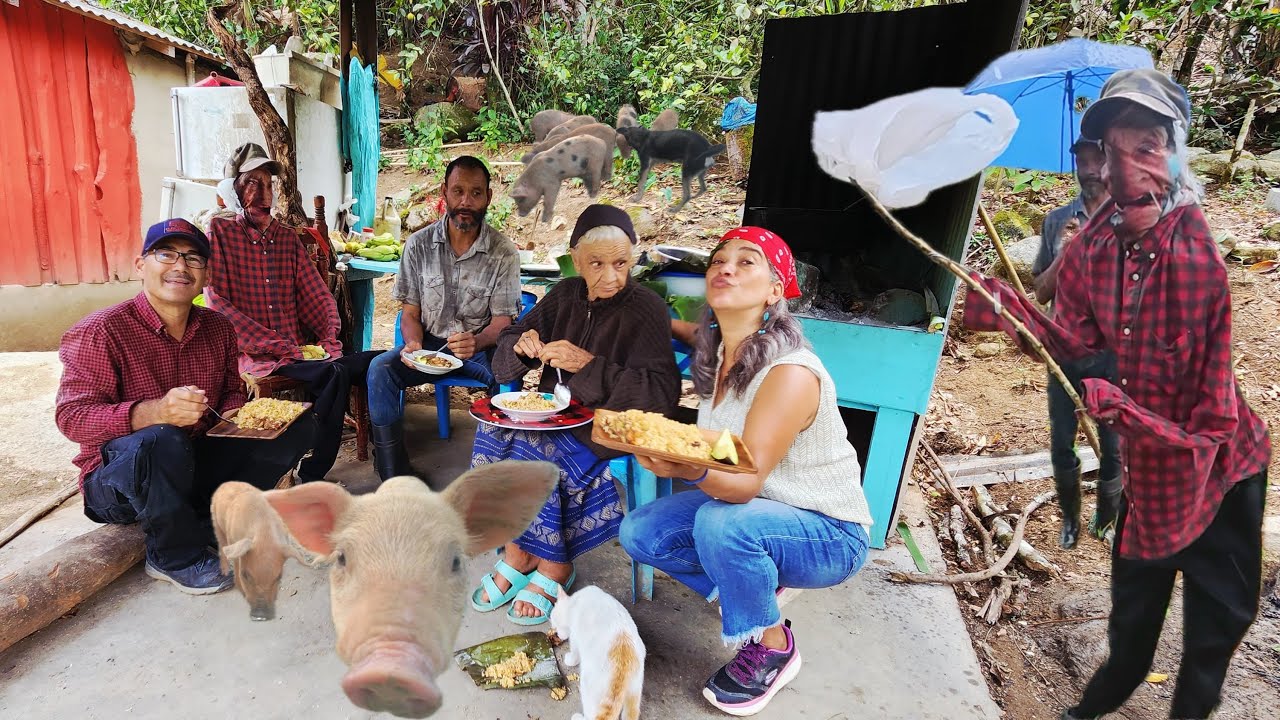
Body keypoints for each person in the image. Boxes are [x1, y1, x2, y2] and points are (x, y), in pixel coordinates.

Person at [962, 69, 1270, 720]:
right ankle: (1089, 710)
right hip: (1153, 475)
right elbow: (1069, 341)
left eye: (1149, 146)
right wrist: (1002, 309)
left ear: (1176, 154)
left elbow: (1209, 433)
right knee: (1131, 631)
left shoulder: (1196, 263)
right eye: (1113, 150)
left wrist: (1125, 410)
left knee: (1207, 652)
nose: (1127, 172)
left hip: (1222, 476)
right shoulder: (1094, 246)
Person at [619, 227, 873, 716]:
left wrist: (683, 465)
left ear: (775, 291)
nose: (725, 268)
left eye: (746, 261)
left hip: (826, 529)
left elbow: (742, 485)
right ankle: (754, 584)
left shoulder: (790, 373)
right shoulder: (720, 349)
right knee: (641, 531)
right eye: (717, 261)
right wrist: (651, 316)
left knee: (721, 524)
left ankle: (775, 646)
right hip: (759, 506)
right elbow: (693, 331)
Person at [55, 219, 317, 594]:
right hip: (118, 482)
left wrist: (232, 414)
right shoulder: (100, 332)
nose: (180, 266)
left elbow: (231, 390)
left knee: (296, 425)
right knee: (163, 438)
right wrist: (154, 412)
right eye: (166, 254)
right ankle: (172, 556)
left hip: (193, 462)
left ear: (206, 275)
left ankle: (209, 522)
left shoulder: (218, 328)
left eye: (194, 259)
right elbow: (72, 419)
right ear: (140, 264)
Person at [469, 205, 681, 626]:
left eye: (621, 263)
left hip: (609, 423)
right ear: (577, 260)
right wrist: (521, 344)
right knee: (491, 436)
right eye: (597, 264)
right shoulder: (566, 294)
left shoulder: (647, 310)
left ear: (634, 258)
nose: (610, 276)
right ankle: (518, 551)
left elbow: (662, 394)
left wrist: (589, 365)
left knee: (540, 453)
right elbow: (510, 340)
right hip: (556, 413)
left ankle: (554, 565)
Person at [204, 142, 379, 485]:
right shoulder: (219, 233)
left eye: (268, 184)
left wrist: (328, 335)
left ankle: (309, 459)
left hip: (298, 352)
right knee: (338, 375)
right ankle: (312, 465)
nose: (263, 193)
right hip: (254, 354)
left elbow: (315, 292)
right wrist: (275, 344)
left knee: (352, 366)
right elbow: (217, 304)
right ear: (233, 190)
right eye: (252, 183)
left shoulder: (285, 238)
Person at [366, 155, 522, 481]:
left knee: (506, 374)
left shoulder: (503, 252)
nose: (466, 201)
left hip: (478, 348)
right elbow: (409, 313)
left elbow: (503, 322)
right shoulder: (418, 245)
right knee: (380, 369)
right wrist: (413, 344)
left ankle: (493, 471)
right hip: (430, 346)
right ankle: (395, 474)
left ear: (489, 198)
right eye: (458, 191)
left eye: (476, 193)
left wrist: (476, 341)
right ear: (445, 193)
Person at [1032, 136, 1122, 548]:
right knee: (1062, 439)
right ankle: (1070, 519)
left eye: (1096, 159)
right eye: (1080, 159)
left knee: (1114, 440)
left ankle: (1107, 519)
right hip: (1064, 351)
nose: (1087, 167)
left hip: (1114, 356)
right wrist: (1067, 253)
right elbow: (1041, 292)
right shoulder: (1058, 221)